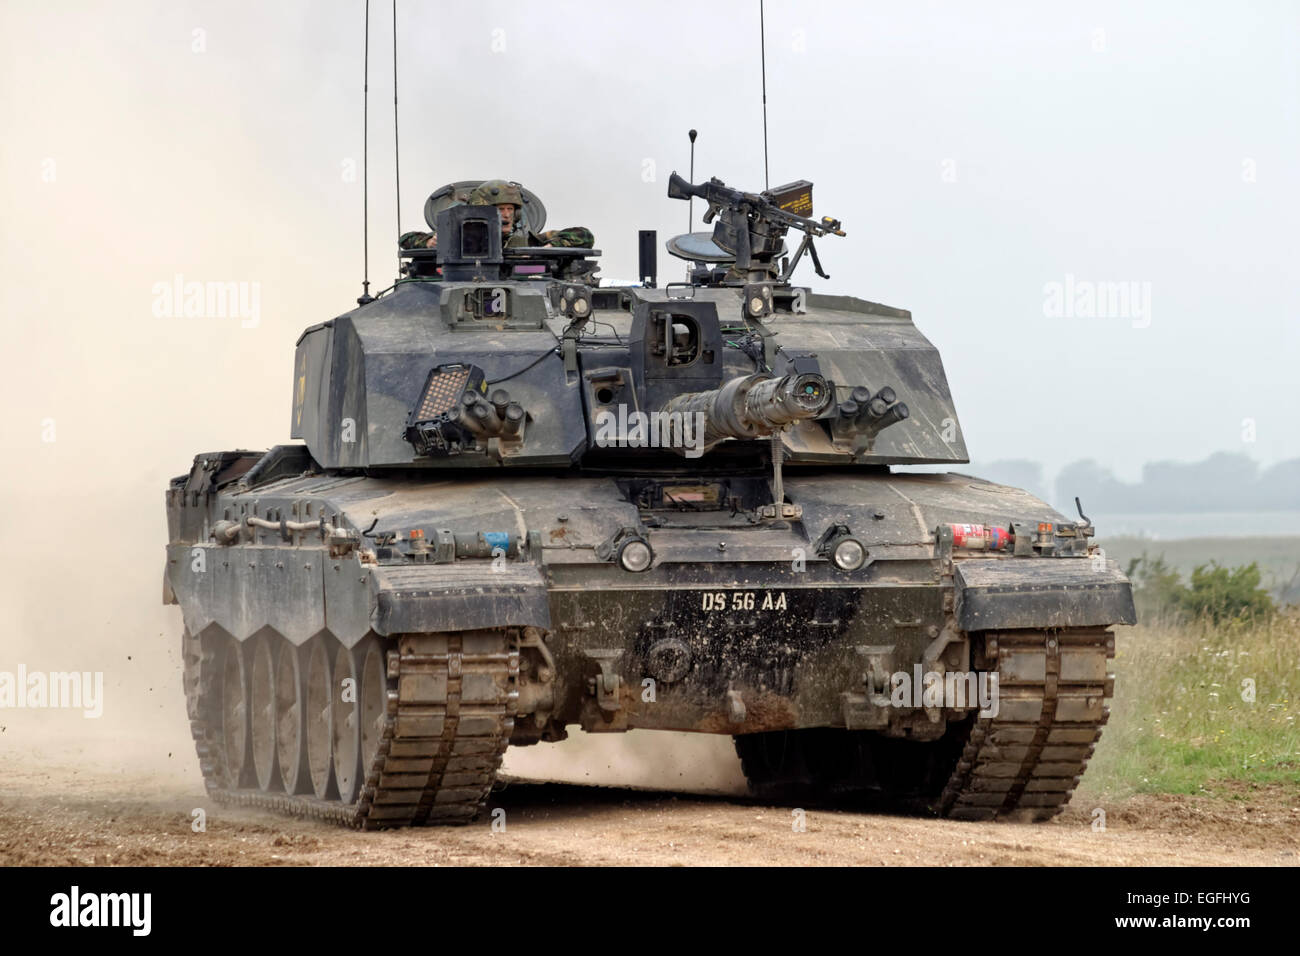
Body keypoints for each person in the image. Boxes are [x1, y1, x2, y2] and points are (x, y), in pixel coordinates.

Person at [399, 179, 594, 250]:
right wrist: (427, 243)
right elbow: (406, 239)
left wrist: (552, 246)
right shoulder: (457, 241)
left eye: (510, 209)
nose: (507, 215)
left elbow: (584, 235)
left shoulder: (528, 241)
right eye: (500, 210)